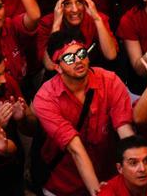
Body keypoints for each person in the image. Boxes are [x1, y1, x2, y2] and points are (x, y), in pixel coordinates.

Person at [33, 31, 135, 196]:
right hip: (63, 186)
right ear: (57, 67)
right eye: (69, 58)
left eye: (81, 53)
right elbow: (76, 149)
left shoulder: (110, 81)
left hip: (109, 178)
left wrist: (135, 172)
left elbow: (125, 131)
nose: (78, 60)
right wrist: (98, 193)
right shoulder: (46, 98)